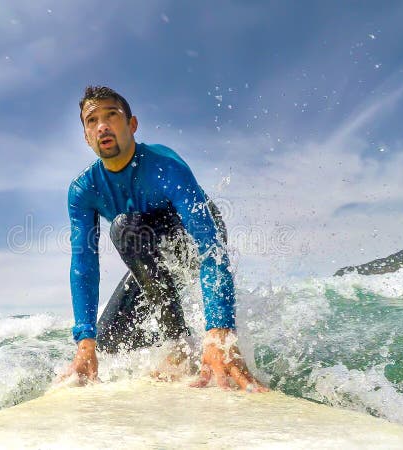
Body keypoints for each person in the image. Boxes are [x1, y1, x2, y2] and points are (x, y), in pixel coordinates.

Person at [61, 85, 267, 392]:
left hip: (194, 238)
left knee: (123, 227)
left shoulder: (165, 165)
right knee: (108, 344)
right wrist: (84, 341)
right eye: (92, 121)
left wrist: (220, 332)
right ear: (87, 137)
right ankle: (177, 349)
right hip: (147, 251)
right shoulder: (83, 190)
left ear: (131, 125)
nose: (102, 125)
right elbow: (84, 264)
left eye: (112, 115)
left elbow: (210, 247)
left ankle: (180, 346)